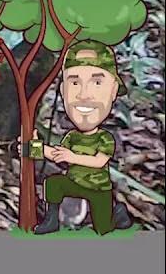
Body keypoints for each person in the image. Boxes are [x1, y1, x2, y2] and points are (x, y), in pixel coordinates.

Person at [31, 41, 134, 235]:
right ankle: (52, 220)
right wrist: (33, 147)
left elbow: (98, 161)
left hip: (96, 187)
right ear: (63, 91)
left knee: (104, 228)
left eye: (97, 83)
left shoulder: (105, 138)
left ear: (112, 92)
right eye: (75, 83)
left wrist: (72, 157)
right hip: (74, 184)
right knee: (54, 184)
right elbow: (55, 154)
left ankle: (116, 214)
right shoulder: (72, 137)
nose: (84, 95)